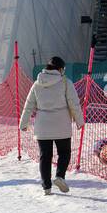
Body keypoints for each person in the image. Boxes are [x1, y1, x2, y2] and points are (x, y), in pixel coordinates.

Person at [18, 56, 85, 195]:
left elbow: (28, 105)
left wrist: (23, 123)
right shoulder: (66, 82)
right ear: (60, 69)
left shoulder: (37, 84)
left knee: (45, 156)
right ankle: (60, 176)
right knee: (64, 153)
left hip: (42, 126)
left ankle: (46, 187)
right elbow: (74, 103)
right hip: (61, 124)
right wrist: (80, 121)